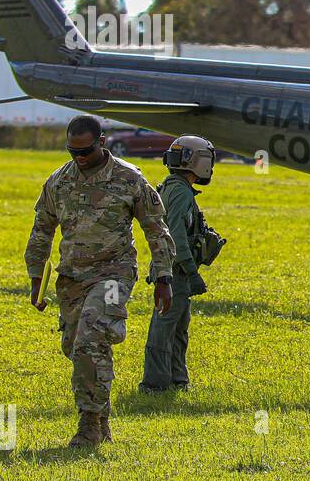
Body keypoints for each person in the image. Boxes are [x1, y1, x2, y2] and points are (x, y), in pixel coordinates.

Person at [25, 115, 175, 447]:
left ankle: (89, 425)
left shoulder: (128, 178)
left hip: (113, 274)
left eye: (86, 150)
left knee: (90, 339)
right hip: (72, 278)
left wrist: (163, 276)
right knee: (78, 348)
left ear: (102, 142)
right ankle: (102, 420)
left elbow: (156, 228)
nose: (79, 158)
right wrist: (37, 277)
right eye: (72, 151)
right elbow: (41, 231)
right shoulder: (58, 182)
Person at [141, 135, 224, 394]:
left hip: (174, 271)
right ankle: (154, 384)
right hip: (174, 272)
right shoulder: (179, 191)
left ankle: (177, 378)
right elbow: (174, 234)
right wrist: (191, 271)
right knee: (164, 328)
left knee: (178, 327)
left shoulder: (175, 187)